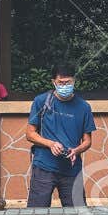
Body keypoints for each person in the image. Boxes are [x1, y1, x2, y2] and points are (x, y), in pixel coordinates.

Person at [25, 66, 95, 207]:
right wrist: (50, 144)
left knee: (78, 214)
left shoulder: (84, 107)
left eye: (68, 82)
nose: (65, 86)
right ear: (54, 82)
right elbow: (30, 134)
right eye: (61, 82)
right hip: (44, 167)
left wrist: (76, 150)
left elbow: (87, 141)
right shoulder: (41, 101)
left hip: (71, 168)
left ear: (74, 81)